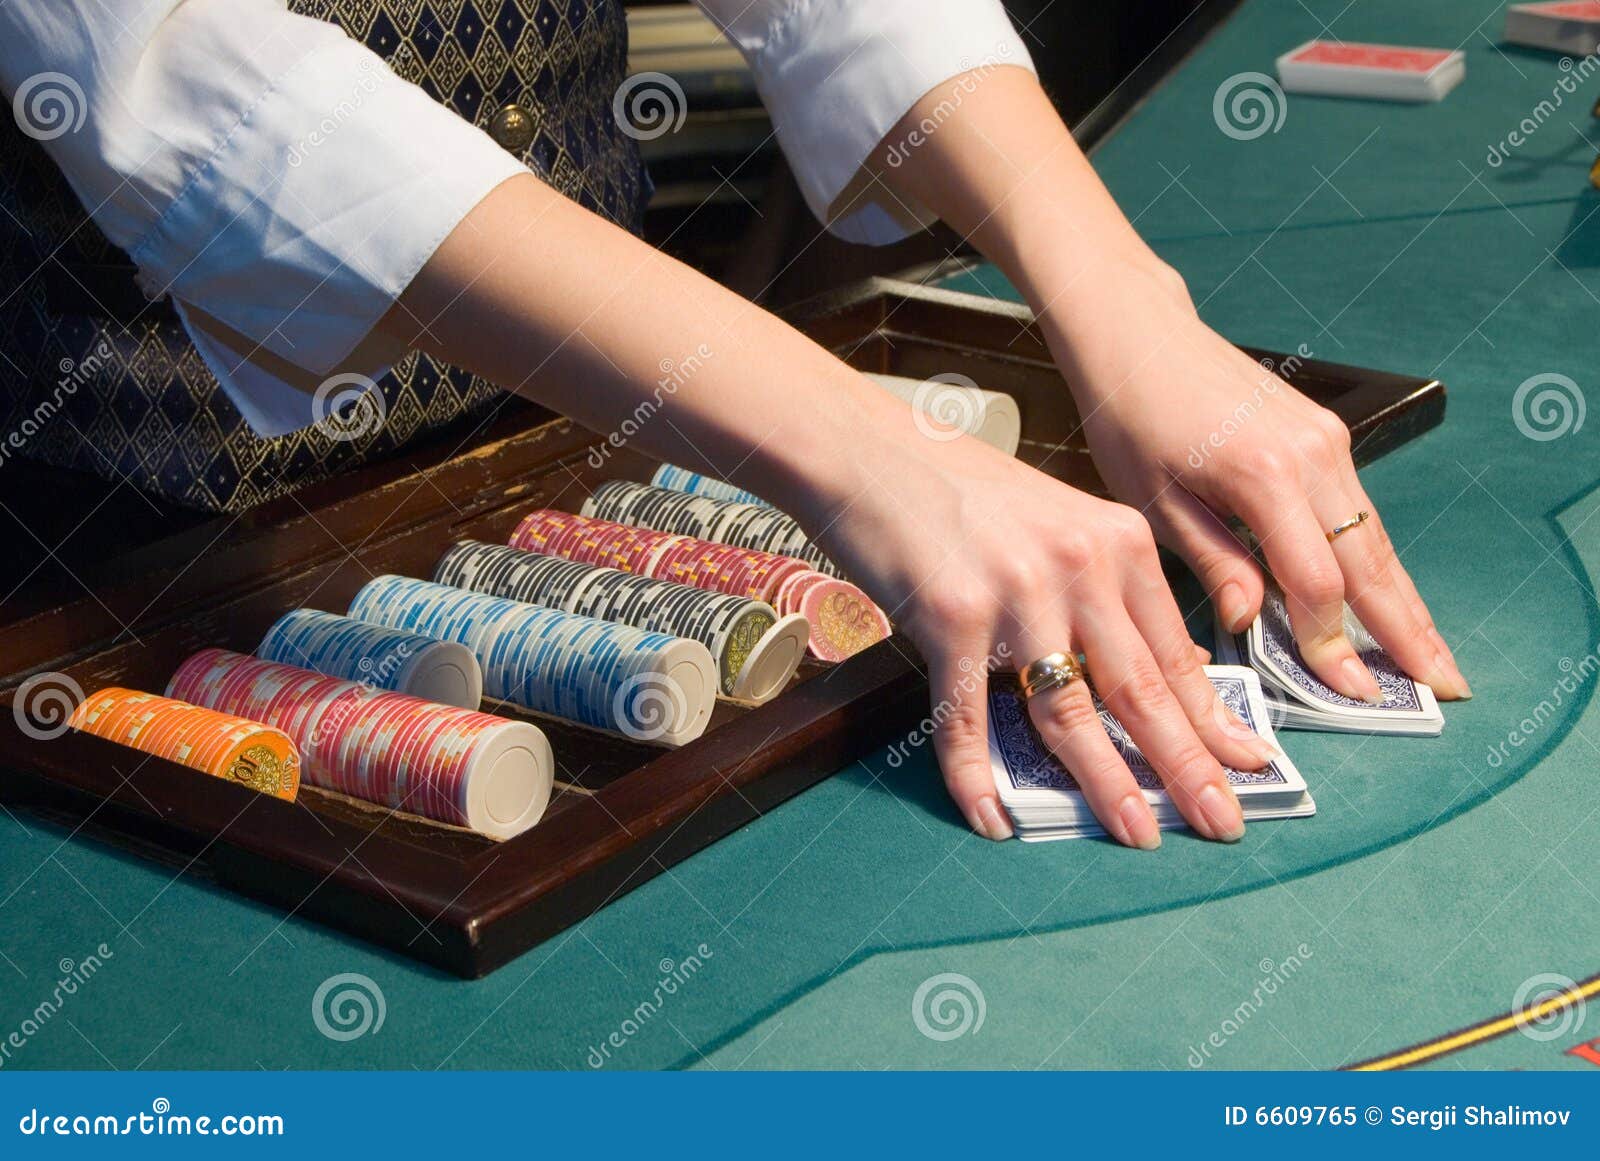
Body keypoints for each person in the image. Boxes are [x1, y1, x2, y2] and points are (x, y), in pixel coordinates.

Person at [0, 0, 1469, 850]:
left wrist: (1125, 299)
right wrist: (868, 450)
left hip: (582, 418)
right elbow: (209, 83)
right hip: (120, 544)